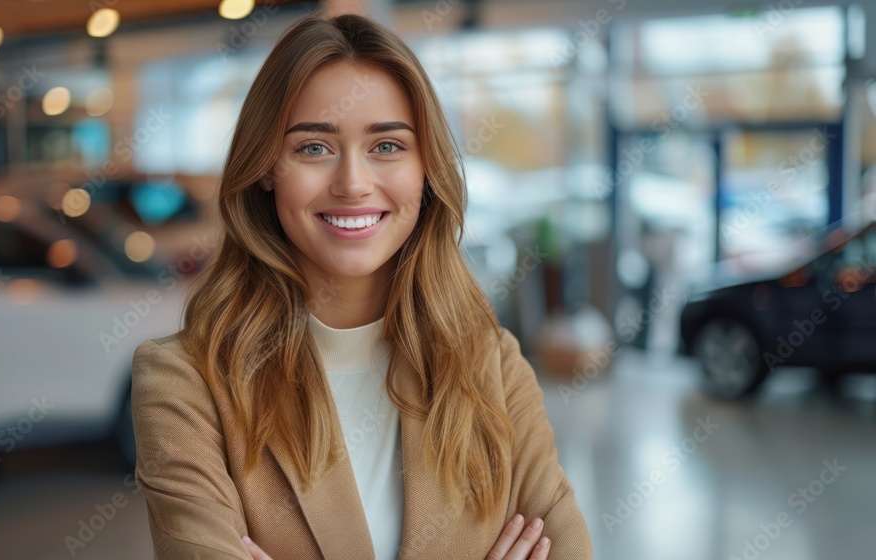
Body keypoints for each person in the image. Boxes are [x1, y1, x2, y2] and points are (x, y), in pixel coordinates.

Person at [131, 12, 592, 560]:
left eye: (388, 146)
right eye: (313, 148)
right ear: (265, 170)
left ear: (426, 171)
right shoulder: (184, 384)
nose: (352, 183)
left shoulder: (492, 365)